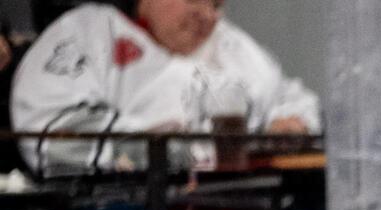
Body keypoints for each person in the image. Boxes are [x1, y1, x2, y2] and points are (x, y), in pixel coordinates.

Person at [10, 0, 318, 176]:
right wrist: (168, 153)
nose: (209, 15)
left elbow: (291, 98)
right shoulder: (89, 31)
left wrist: (291, 122)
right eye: (195, 0)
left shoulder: (231, 45)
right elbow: (49, 132)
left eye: (217, 4)